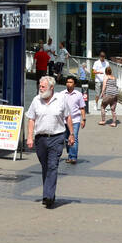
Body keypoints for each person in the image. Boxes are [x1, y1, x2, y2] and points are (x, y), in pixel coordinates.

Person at [25, 75, 74, 208]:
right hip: (40, 139)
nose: (40, 89)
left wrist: (72, 134)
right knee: (45, 167)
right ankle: (48, 193)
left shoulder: (61, 99)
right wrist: (30, 137)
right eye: (39, 86)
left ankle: (49, 196)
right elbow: (31, 119)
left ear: (51, 87)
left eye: (43, 86)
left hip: (57, 137)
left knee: (53, 166)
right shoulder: (36, 100)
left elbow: (68, 117)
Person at [62, 75, 87, 164]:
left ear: (75, 84)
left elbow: (82, 108)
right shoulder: (62, 94)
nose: (69, 84)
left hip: (75, 120)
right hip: (64, 121)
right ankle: (70, 153)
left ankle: (73, 157)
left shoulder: (78, 95)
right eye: (67, 82)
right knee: (66, 139)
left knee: (74, 138)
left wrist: (83, 119)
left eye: (71, 82)